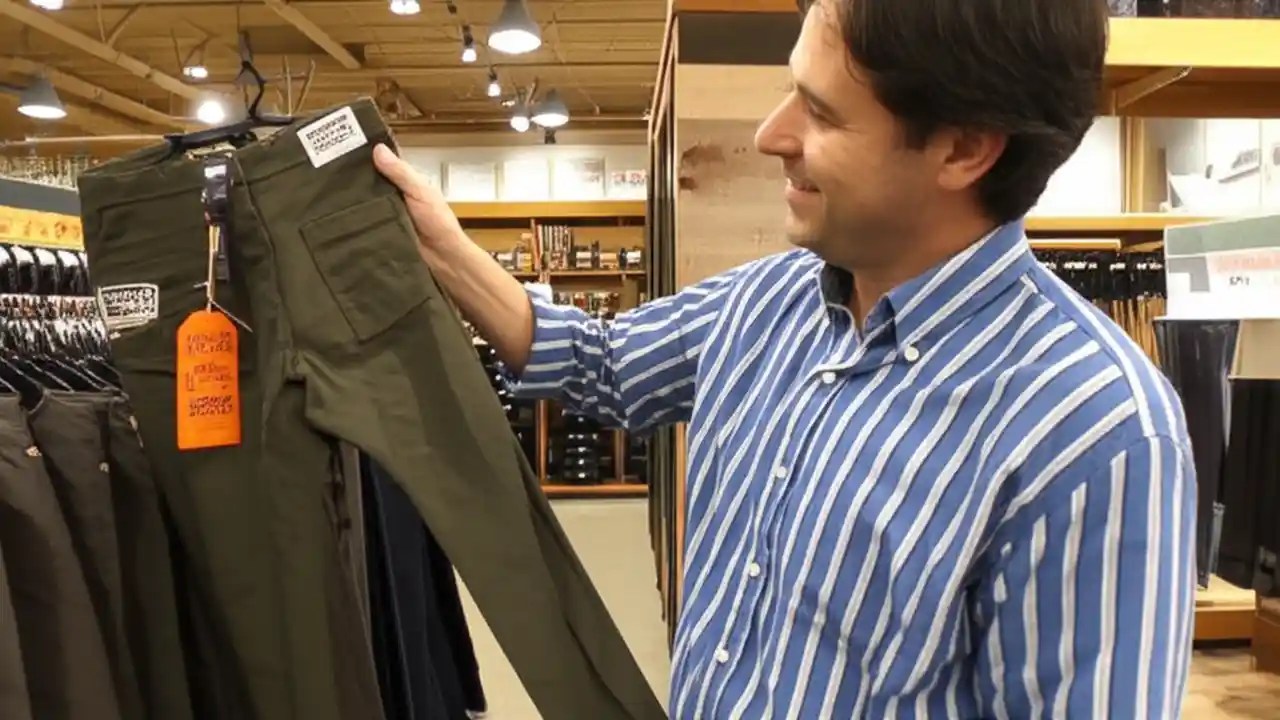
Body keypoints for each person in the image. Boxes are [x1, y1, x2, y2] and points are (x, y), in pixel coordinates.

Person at [373, 0, 1195, 716]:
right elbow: (600, 360)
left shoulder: (1096, 433)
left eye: (822, 112)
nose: (772, 136)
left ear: (964, 150)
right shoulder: (770, 301)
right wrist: (441, 249)